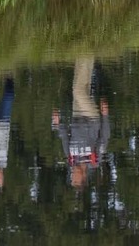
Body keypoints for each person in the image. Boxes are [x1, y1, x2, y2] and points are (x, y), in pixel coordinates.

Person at [51, 55, 110, 188]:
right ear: (83, 177)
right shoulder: (94, 160)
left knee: (81, 86)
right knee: (78, 92)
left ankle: (83, 53)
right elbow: (104, 137)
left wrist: (58, 123)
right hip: (91, 118)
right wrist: (105, 116)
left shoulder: (71, 159)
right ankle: (86, 52)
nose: (72, 175)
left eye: (72, 178)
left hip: (76, 115)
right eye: (75, 179)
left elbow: (65, 138)